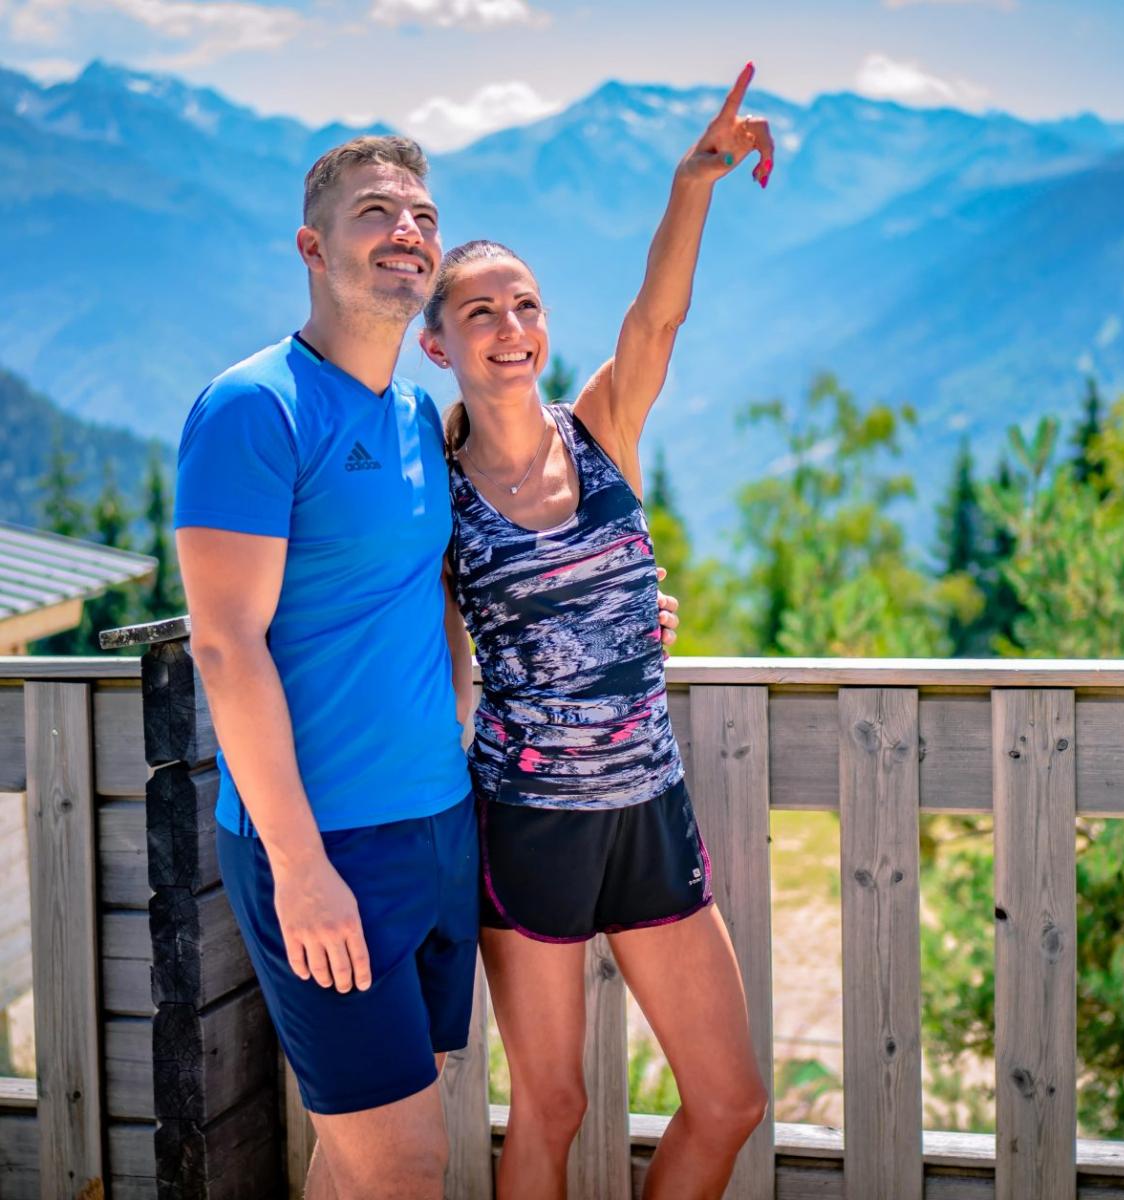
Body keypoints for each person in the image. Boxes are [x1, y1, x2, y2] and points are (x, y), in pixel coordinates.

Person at [173, 133, 680, 1199]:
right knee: (406, 1164)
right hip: (323, 846)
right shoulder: (252, 408)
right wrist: (300, 866)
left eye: (421, 216)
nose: (407, 232)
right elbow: (223, 644)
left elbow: (470, 588)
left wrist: (619, 613)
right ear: (313, 247)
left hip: (441, 826)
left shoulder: (416, 421)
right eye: (374, 214)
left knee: (364, 1158)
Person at [419, 63, 773, 1200]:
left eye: (525, 304)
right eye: (480, 310)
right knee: (555, 1106)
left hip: (649, 806)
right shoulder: (434, 496)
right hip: (530, 825)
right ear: (439, 346)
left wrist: (694, 183)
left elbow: (657, 315)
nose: (511, 326)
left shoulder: (601, 428)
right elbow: (427, 653)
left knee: (728, 1103)